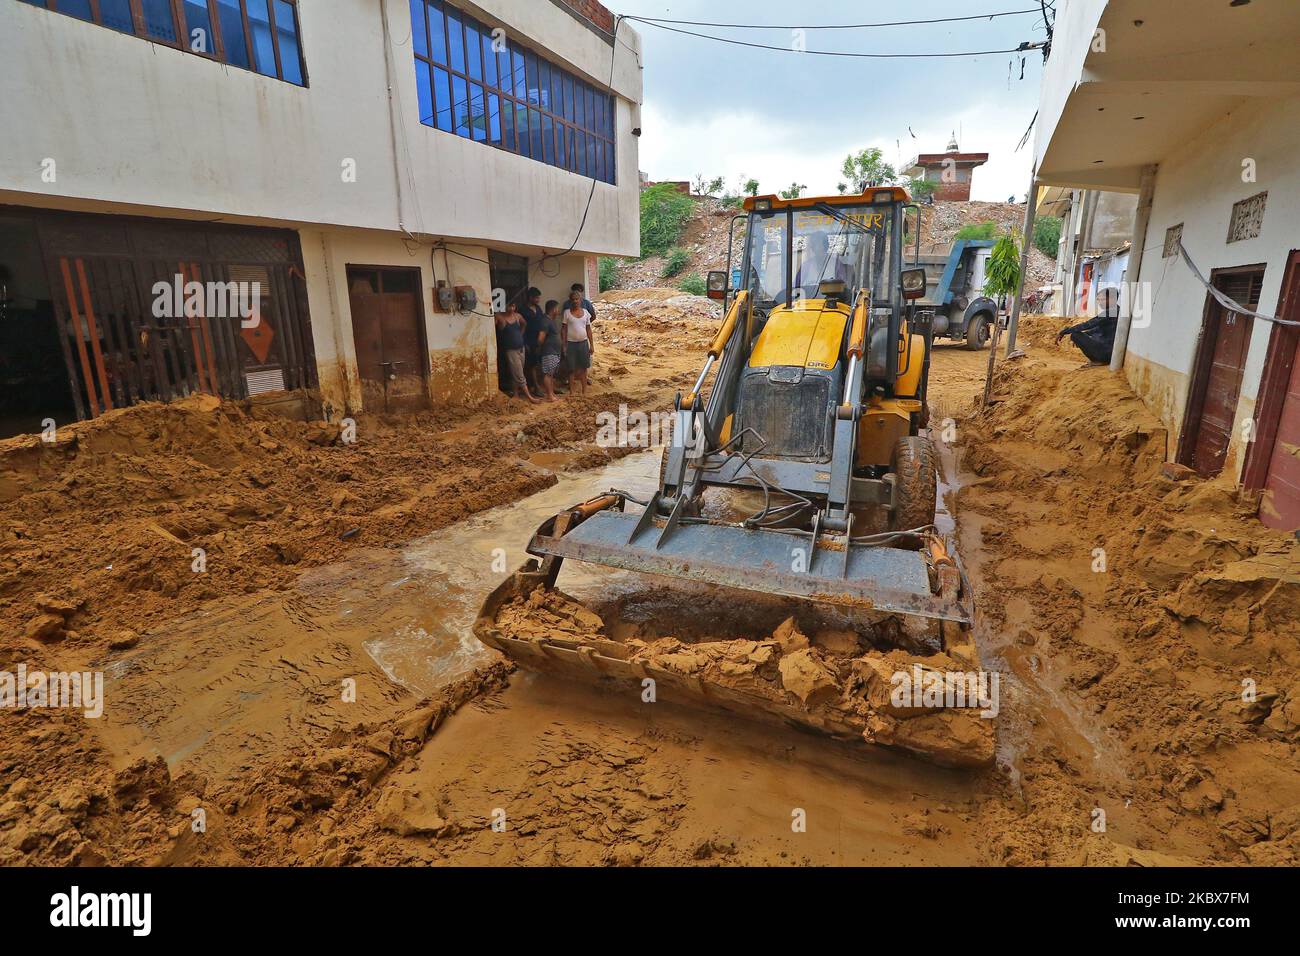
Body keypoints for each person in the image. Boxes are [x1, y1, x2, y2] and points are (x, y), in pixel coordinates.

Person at [1056, 286, 1119, 365]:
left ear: (1112, 299)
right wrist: (1085, 335)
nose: (1099, 302)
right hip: (1109, 352)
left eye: (1102, 299)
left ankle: (1098, 361)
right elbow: (1097, 329)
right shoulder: (1114, 311)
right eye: (1098, 300)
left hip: (1106, 353)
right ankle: (1098, 360)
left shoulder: (1111, 312)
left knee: (1075, 335)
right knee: (1079, 335)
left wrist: (1065, 331)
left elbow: (1088, 324)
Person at [496, 302, 538, 403]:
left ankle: (516, 394)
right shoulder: (500, 317)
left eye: (513, 306)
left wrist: (521, 334)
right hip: (511, 350)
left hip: (521, 348)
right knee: (519, 373)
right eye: (509, 306)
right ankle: (529, 397)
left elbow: (525, 323)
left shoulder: (517, 316)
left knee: (516, 372)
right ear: (504, 307)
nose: (511, 308)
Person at [794, 232, 850, 298]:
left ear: (826, 246)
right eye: (813, 245)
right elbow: (795, 287)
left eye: (817, 244)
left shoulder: (836, 264)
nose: (814, 248)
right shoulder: (806, 266)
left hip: (830, 304)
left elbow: (844, 287)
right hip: (809, 304)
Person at [563, 289, 595, 396]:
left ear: (580, 300)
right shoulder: (567, 313)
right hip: (571, 344)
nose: (575, 301)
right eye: (573, 299)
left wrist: (592, 345)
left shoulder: (585, 313)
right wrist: (564, 345)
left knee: (584, 368)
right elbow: (563, 330)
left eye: (577, 299)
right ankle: (572, 392)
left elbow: (588, 330)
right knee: (571, 369)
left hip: (583, 344)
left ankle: (584, 391)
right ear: (570, 301)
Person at [520, 287, 547, 394]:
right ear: (530, 297)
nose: (538, 300)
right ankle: (535, 386)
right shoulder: (522, 310)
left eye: (538, 298)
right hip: (528, 341)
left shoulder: (538, 308)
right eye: (536, 298)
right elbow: (521, 327)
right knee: (530, 365)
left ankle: (538, 385)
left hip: (539, 340)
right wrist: (524, 342)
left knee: (537, 364)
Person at [536, 299, 564, 402]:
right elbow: (540, 338)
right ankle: (549, 395)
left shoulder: (551, 320)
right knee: (548, 374)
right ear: (553, 309)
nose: (558, 310)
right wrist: (542, 348)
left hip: (554, 351)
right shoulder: (545, 321)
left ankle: (551, 394)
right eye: (557, 308)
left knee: (551, 374)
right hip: (549, 352)